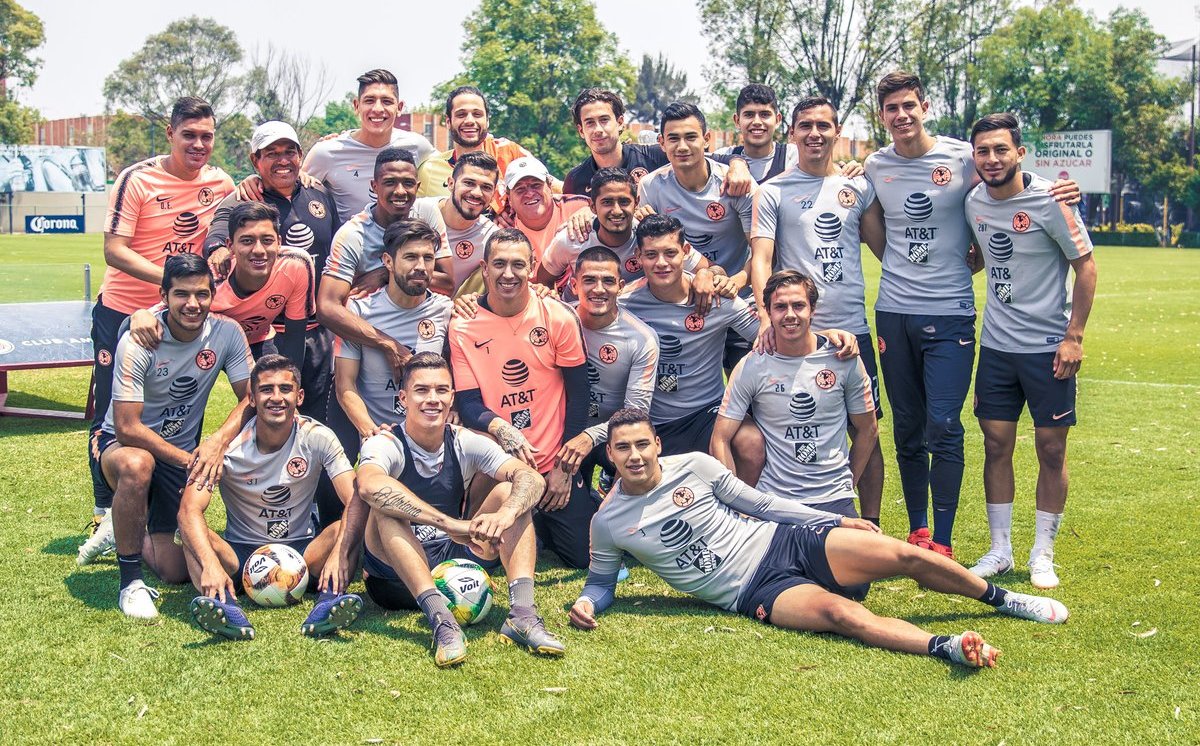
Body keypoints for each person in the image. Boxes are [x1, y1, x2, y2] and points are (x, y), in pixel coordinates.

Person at [568, 408, 1070, 669]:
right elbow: (602, 583)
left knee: (901, 553)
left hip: (783, 541)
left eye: (641, 444)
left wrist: (831, 521)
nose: (634, 456)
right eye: (621, 449)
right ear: (609, 456)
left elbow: (761, 504)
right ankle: (947, 647)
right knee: (841, 615)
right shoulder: (608, 522)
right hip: (752, 591)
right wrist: (589, 603)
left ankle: (1004, 599)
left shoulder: (695, 465)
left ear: (657, 443)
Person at [861, 72, 1079, 557]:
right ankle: (917, 529)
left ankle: (943, 538)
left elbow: (1012, 182)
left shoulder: (964, 156)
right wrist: (894, 259)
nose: (901, 115)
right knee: (908, 424)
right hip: (894, 312)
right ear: (882, 116)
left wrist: (1063, 190)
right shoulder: (875, 165)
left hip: (952, 315)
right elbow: (868, 220)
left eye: (909, 105)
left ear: (925, 105)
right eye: (891, 108)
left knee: (945, 423)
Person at [79, 96, 234, 566]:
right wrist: (170, 285)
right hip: (126, 309)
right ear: (170, 134)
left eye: (207, 136)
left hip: (181, 310)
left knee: (180, 407)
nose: (199, 144)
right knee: (115, 413)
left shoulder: (221, 182)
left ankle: (166, 508)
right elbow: (114, 250)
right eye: (189, 135)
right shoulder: (137, 178)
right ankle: (104, 513)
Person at [352, 352, 563, 666]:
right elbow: (369, 486)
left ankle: (523, 614)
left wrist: (504, 515)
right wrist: (450, 524)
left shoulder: (465, 440)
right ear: (403, 398)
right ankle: (443, 622)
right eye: (421, 390)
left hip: (454, 558)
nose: (432, 399)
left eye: (441, 390)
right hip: (394, 580)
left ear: (452, 396)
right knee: (385, 507)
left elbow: (531, 477)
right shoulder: (385, 443)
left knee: (510, 493)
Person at [964, 113, 1097, 589]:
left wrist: (1074, 336)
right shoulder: (974, 200)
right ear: (973, 156)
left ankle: (1043, 552)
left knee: (1050, 450)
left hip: (1048, 350)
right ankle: (1000, 550)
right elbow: (980, 257)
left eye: (1001, 149)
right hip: (997, 347)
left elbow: (1086, 268)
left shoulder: (1050, 200)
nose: (992, 159)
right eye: (983, 151)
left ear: (1020, 153)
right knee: (996, 445)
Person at [748, 96, 886, 524]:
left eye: (824, 126)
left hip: (852, 329)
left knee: (866, 429)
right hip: (796, 333)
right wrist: (765, 317)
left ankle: (871, 523)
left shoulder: (858, 188)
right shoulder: (773, 191)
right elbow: (762, 261)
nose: (815, 133)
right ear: (792, 134)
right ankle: (772, 517)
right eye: (805, 125)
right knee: (784, 430)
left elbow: (886, 249)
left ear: (837, 132)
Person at [96, 254, 254, 620]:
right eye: (181, 294)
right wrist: (190, 461)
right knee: (138, 464)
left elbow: (251, 397)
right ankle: (130, 583)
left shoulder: (227, 333)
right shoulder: (141, 339)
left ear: (213, 295)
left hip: (176, 452)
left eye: (202, 294)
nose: (193, 304)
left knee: (173, 572)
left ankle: (123, 527)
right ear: (163, 296)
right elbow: (127, 428)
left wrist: (215, 442)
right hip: (119, 447)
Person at [178, 355, 363, 641]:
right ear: (251, 398)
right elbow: (189, 510)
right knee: (190, 531)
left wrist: (339, 553)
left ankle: (328, 604)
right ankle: (224, 609)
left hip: (302, 551)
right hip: (239, 555)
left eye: (285, 389)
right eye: (266, 389)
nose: (276, 397)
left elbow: (355, 499)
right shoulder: (226, 451)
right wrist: (210, 564)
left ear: (299, 396)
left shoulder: (318, 437)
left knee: (343, 529)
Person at [447, 229, 595, 568]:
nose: (508, 274)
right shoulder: (463, 325)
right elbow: (469, 405)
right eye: (499, 264)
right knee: (481, 561)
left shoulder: (557, 316)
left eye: (518, 264)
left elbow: (580, 395)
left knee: (583, 556)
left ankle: (557, 511)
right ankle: (513, 513)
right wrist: (502, 429)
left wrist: (564, 468)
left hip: (551, 463)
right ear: (484, 268)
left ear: (531, 267)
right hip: (499, 466)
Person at [713, 270, 877, 518]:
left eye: (798, 305)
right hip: (776, 501)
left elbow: (869, 429)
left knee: (868, 556)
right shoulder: (752, 366)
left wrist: (847, 484)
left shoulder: (843, 358)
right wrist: (740, 503)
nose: (790, 315)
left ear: (813, 309)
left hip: (834, 498)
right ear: (768, 312)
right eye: (780, 307)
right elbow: (720, 438)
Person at [616, 215, 759, 461]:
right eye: (651, 255)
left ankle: (745, 500)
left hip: (707, 413)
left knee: (750, 442)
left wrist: (826, 337)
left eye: (670, 253)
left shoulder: (716, 298)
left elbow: (768, 336)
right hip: (652, 419)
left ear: (685, 252)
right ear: (638, 257)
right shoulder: (625, 302)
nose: (661, 263)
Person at [637, 102, 758, 379]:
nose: (682, 146)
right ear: (661, 143)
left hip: (738, 296)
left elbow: (763, 252)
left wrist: (734, 282)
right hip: (686, 302)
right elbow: (654, 249)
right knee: (681, 386)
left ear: (706, 139)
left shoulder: (735, 183)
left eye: (690, 137)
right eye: (673, 138)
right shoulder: (651, 187)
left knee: (753, 393)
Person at [128, 202, 314, 368]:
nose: (258, 250)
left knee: (269, 390)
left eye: (267, 240)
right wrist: (139, 315)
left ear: (279, 243)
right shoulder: (211, 278)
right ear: (230, 246)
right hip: (204, 339)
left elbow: (295, 338)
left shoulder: (297, 265)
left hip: (257, 339)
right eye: (247, 241)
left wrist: (289, 382)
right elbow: (159, 312)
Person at [332, 219, 453, 450]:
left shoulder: (445, 310)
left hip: (433, 442)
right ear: (388, 261)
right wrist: (372, 433)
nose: (421, 266)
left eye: (428, 258)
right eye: (410, 257)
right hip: (382, 439)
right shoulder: (359, 311)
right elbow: (345, 386)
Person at [566, 246, 659, 489]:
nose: (598, 289)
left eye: (608, 281)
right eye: (589, 280)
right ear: (574, 286)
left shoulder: (641, 338)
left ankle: (615, 491)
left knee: (642, 481)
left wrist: (590, 436)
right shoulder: (558, 319)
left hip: (612, 433)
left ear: (620, 286)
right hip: (562, 432)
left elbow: (636, 412)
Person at [536, 168, 707, 300]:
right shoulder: (573, 238)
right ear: (593, 207)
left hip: (637, 319)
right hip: (582, 322)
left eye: (624, 202)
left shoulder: (651, 236)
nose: (617, 211)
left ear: (636, 203)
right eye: (607, 202)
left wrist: (704, 275)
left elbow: (710, 268)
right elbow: (542, 281)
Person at [562, 88, 754, 198]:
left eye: (604, 120)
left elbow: (715, 158)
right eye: (589, 123)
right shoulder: (575, 181)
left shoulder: (656, 156)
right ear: (581, 130)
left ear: (620, 123)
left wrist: (738, 164)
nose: (598, 129)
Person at [300, 69, 436, 222]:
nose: (377, 109)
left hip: (403, 242)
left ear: (399, 107)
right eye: (369, 100)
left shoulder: (417, 145)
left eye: (387, 101)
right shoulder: (327, 152)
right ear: (357, 106)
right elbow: (296, 190)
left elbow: (447, 167)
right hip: (350, 244)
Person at [423, 151, 500, 295]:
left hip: (452, 311)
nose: (477, 193)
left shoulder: (492, 238)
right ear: (451, 183)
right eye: (469, 183)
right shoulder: (418, 211)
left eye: (486, 187)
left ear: (493, 194)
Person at [495, 156, 591, 260]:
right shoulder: (503, 230)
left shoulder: (580, 207)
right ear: (509, 199)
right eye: (520, 189)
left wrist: (592, 212)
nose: (530, 194)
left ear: (550, 187)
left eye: (536, 185)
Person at [713, 84, 798, 184]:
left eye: (765, 114)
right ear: (737, 121)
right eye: (749, 115)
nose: (757, 122)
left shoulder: (793, 157)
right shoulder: (723, 157)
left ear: (777, 120)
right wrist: (736, 161)